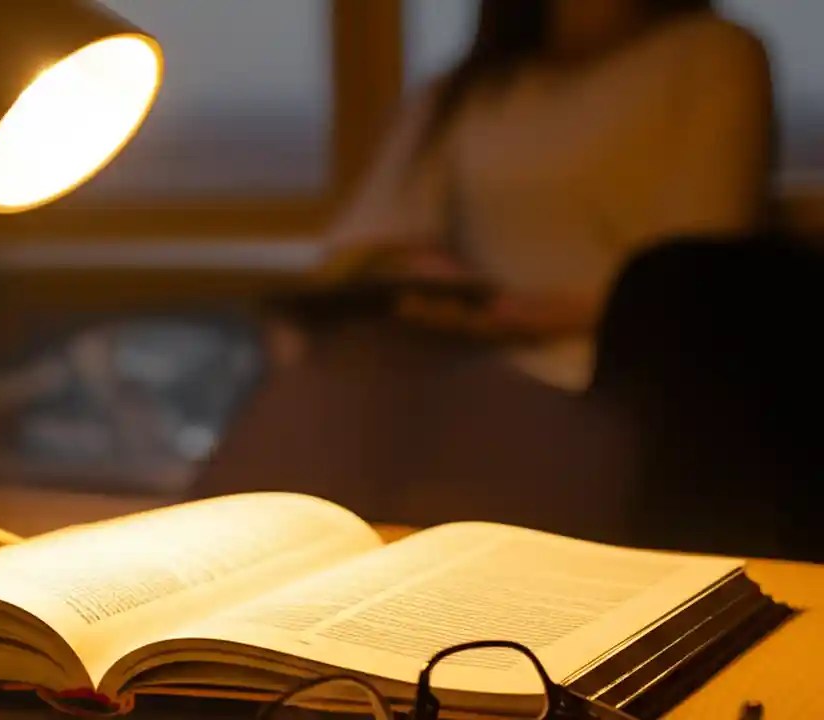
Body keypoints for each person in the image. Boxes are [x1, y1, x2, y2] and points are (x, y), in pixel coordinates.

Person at [193, 0, 774, 541]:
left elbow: (699, 266)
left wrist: (523, 315)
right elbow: (369, 236)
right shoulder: (470, 90)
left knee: (349, 402)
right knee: (336, 373)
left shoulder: (708, 55)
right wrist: (427, 278)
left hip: (601, 374)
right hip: (457, 356)